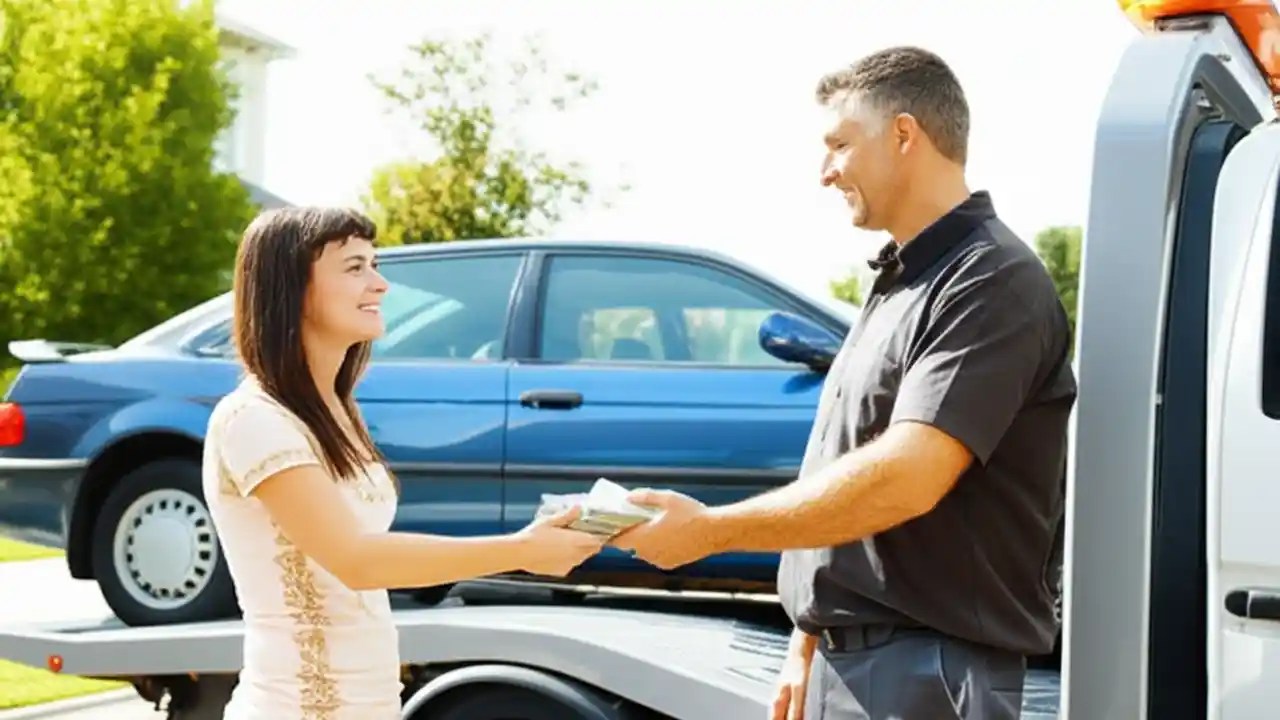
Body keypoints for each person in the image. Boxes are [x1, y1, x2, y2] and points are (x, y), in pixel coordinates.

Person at [612, 46, 1077, 720]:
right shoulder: (900, 283)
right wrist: (806, 643)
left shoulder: (991, 281)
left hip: (930, 672)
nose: (825, 172)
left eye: (839, 144)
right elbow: (842, 467)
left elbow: (907, 475)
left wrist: (711, 531)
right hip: (860, 663)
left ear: (904, 134)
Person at [203, 207, 604, 719]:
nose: (381, 284)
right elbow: (357, 560)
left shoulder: (336, 411)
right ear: (291, 289)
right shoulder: (253, 419)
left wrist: (536, 537)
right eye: (355, 268)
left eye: (375, 264)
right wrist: (520, 549)